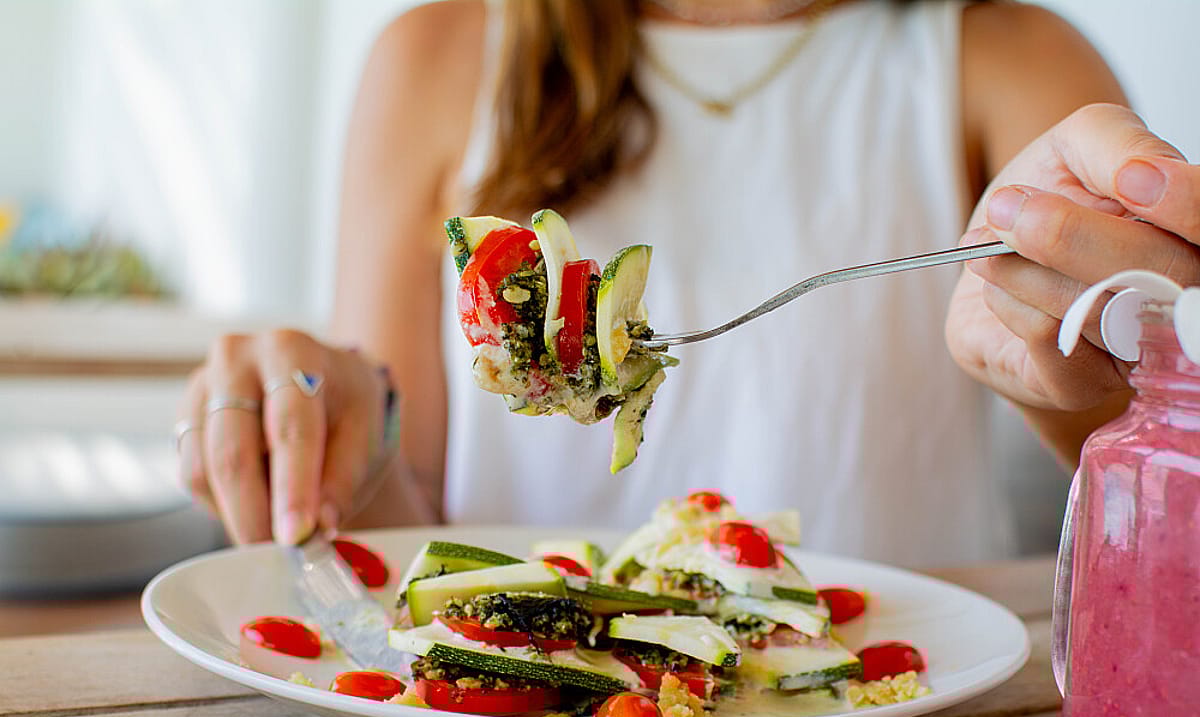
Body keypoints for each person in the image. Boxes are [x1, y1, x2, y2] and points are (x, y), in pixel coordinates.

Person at [175, 0, 1200, 567]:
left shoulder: (1004, 54)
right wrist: (350, 438)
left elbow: (1145, 497)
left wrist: (1111, 368)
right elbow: (404, 523)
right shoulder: (436, 55)